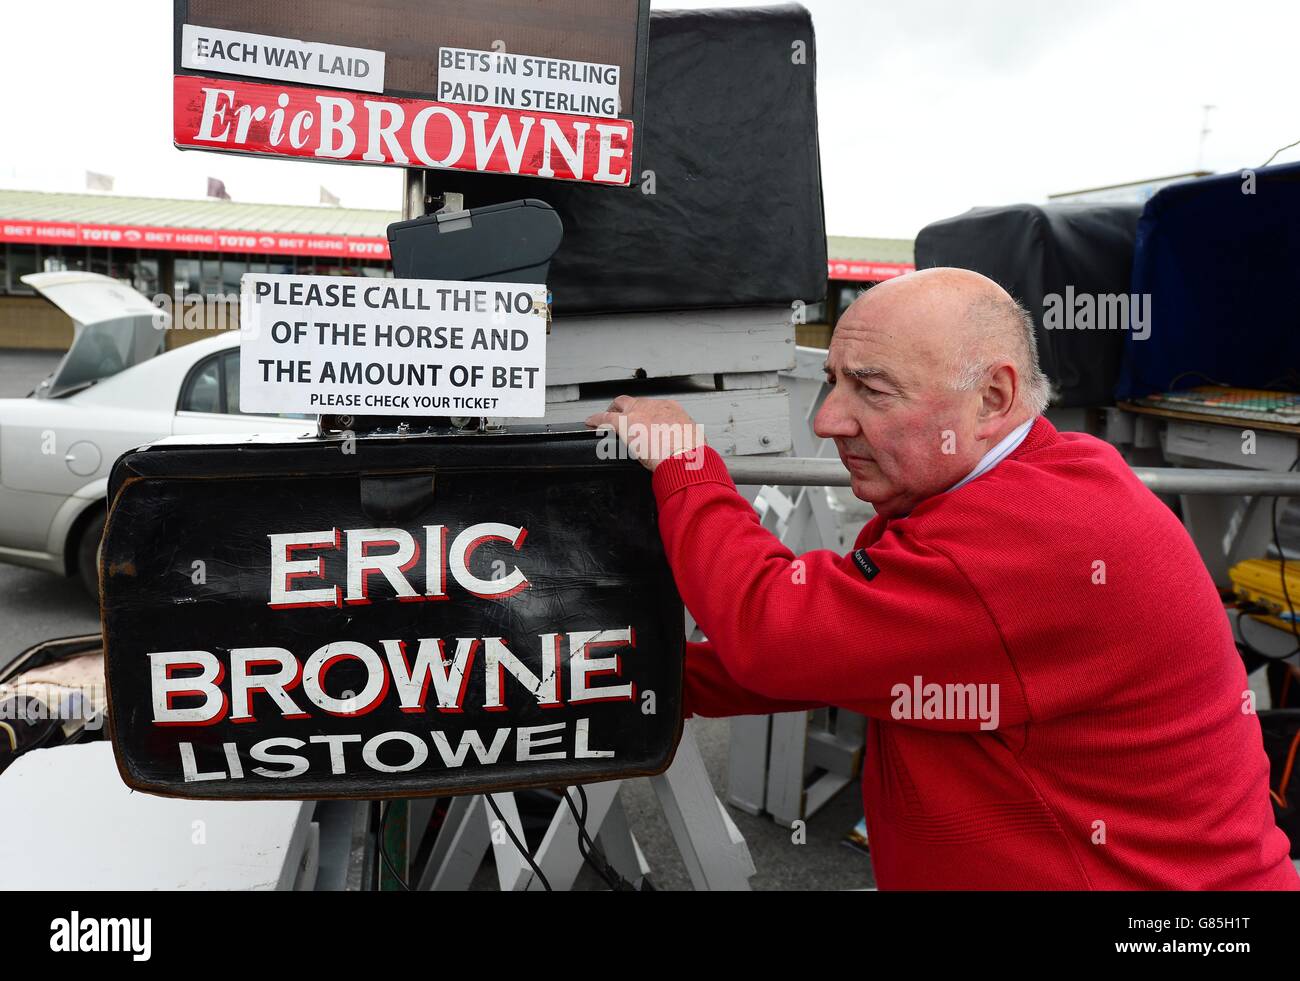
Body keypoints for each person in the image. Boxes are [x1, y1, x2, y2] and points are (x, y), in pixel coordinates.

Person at [585, 267, 1299, 890]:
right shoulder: (1038, 475)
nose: (830, 419)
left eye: (871, 389)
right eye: (833, 380)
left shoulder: (1033, 534)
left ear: (992, 398)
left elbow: (778, 634)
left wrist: (686, 465)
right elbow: (858, 652)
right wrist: (624, 681)